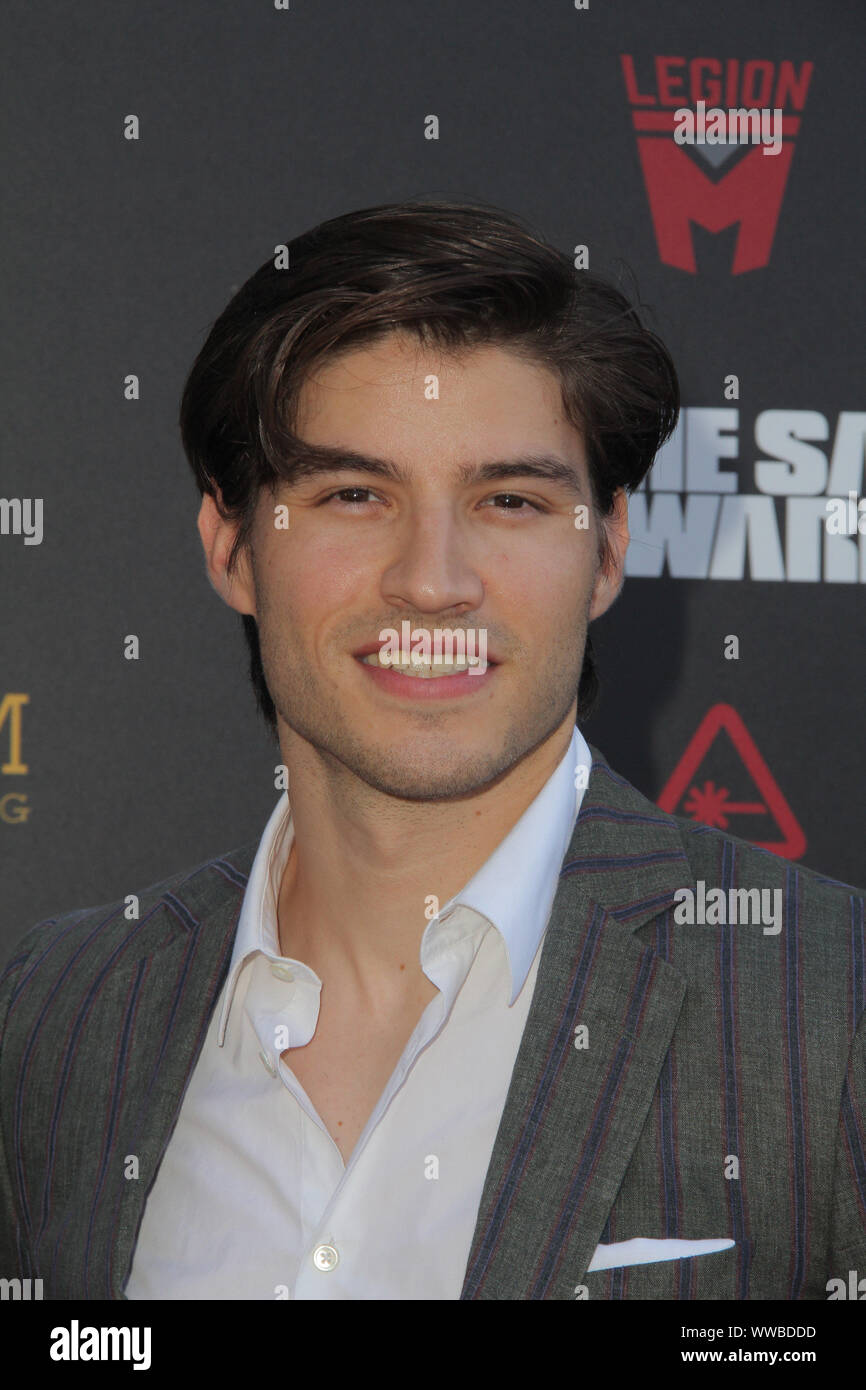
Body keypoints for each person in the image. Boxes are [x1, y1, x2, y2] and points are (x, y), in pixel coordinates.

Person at [1, 199, 863, 1301]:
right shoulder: (61, 1012)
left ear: (605, 550)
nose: (432, 577)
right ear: (231, 547)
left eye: (507, 498)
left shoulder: (828, 1009)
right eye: (354, 494)